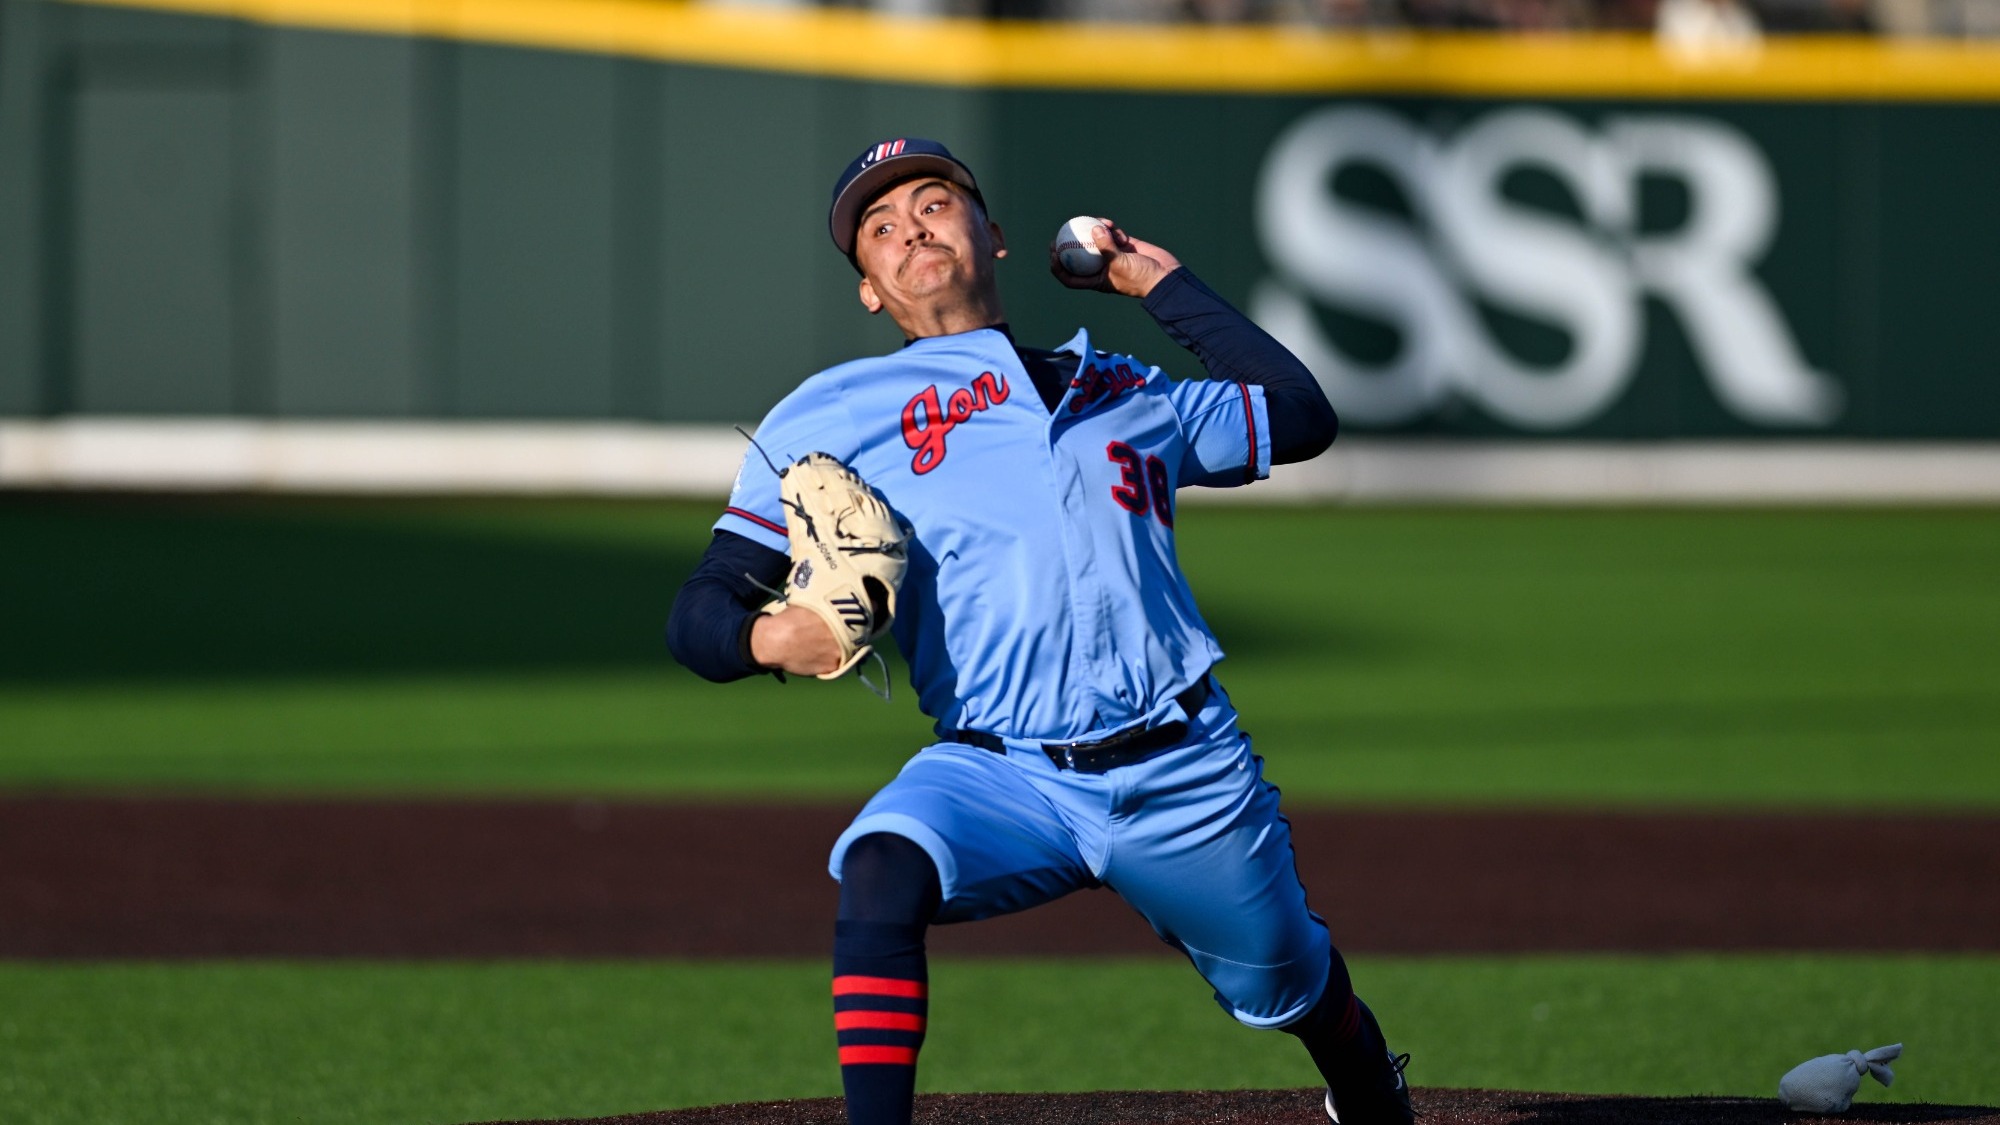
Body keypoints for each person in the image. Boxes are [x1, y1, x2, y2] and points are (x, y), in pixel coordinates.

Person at [666, 137, 1412, 1125]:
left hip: (1184, 768)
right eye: (878, 231)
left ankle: (1363, 1081)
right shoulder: (831, 413)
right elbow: (701, 609)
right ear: (868, 292)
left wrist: (1158, 284)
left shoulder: (1121, 392)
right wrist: (769, 640)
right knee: (881, 869)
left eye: (932, 205)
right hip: (997, 769)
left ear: (993, 236)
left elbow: (1298, 415)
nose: (908, 232)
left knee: (1288, 979)